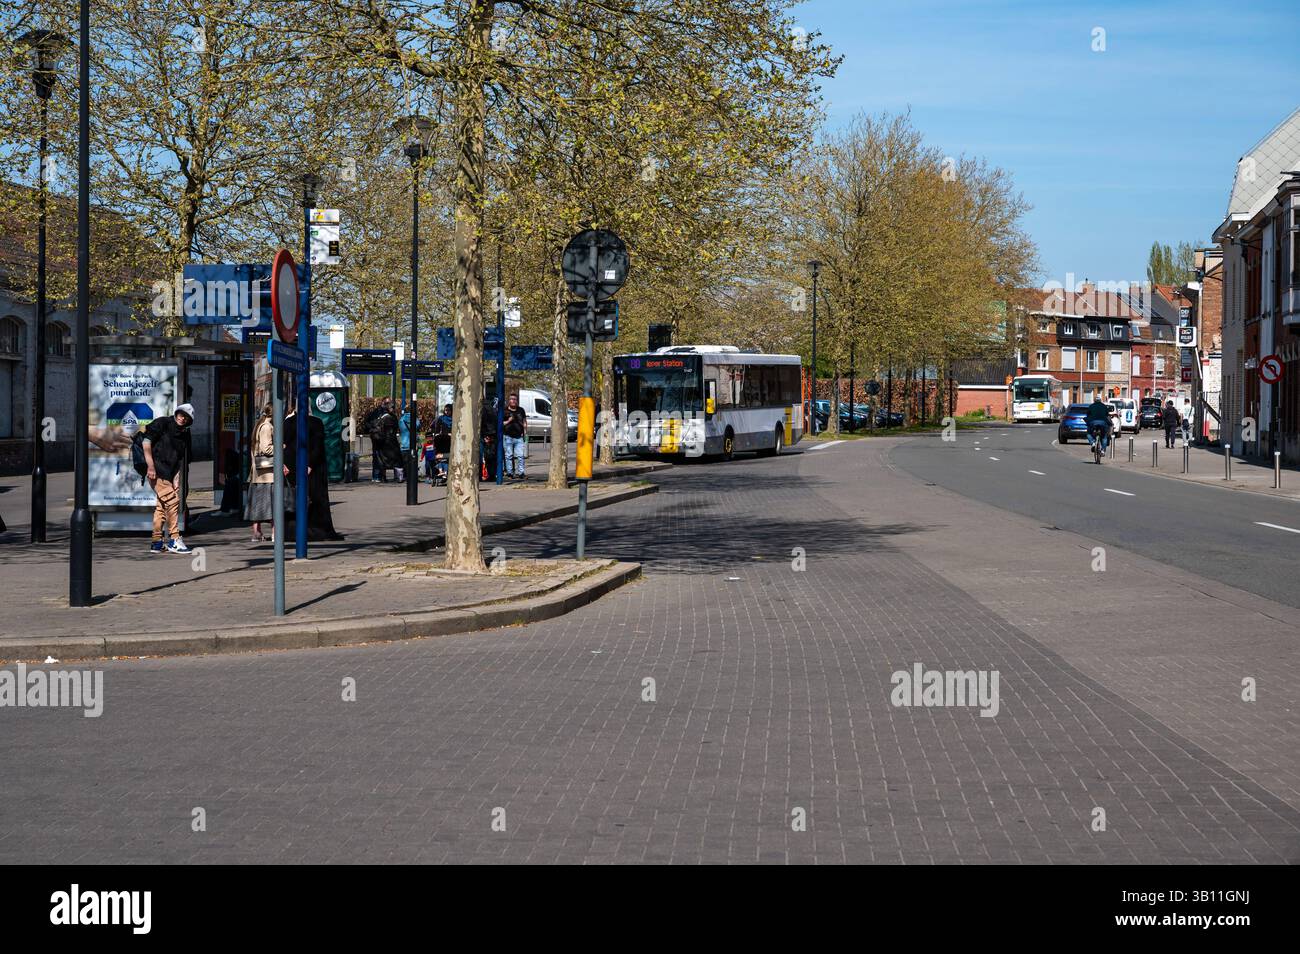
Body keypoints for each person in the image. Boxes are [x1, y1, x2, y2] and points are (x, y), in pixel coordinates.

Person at [285, 409, 344, 542]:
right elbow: (318, 446)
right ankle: (316, 530)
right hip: (312, 468)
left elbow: (284, 445)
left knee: (292, 498)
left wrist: (284, 464)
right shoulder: (316, 423)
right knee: (315, 498)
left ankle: (291, 531)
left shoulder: (288, 423)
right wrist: (310, 464)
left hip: (291, 466)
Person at [142, 402, 194, 554]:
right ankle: (174, 539)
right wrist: (150, 466)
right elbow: (146, 442)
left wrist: (176, 478)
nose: (182, 418)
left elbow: (180, 458)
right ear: (176, 413)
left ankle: (157, 542)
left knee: (162, 506)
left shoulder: (184, 434)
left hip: (170, 473)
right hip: (157, 469)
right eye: (181, 414)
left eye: (186, 417)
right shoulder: (163, 423)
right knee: (172, 501)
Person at [245, 405, 275, 542]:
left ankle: (257, 533)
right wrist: (281, 446)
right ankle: (275, 533)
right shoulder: (267, 427)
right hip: (267, 473)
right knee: (273, 504)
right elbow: (266, 448)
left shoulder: (259, 425)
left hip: (258, 473)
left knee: (258, 504)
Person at [502, 393, 528, 480]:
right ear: (508, 401)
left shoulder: (521, 410)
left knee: (520, 456)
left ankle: (521, 473)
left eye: (515, 399)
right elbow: (501, 424)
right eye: (511, 399)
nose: (513, 401)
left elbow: (524, 421)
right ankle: (510, 473)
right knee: (509, 456)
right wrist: (509, 421)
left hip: (519, 437)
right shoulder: (504, 411)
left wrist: (525, 431)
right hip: (508, 436)